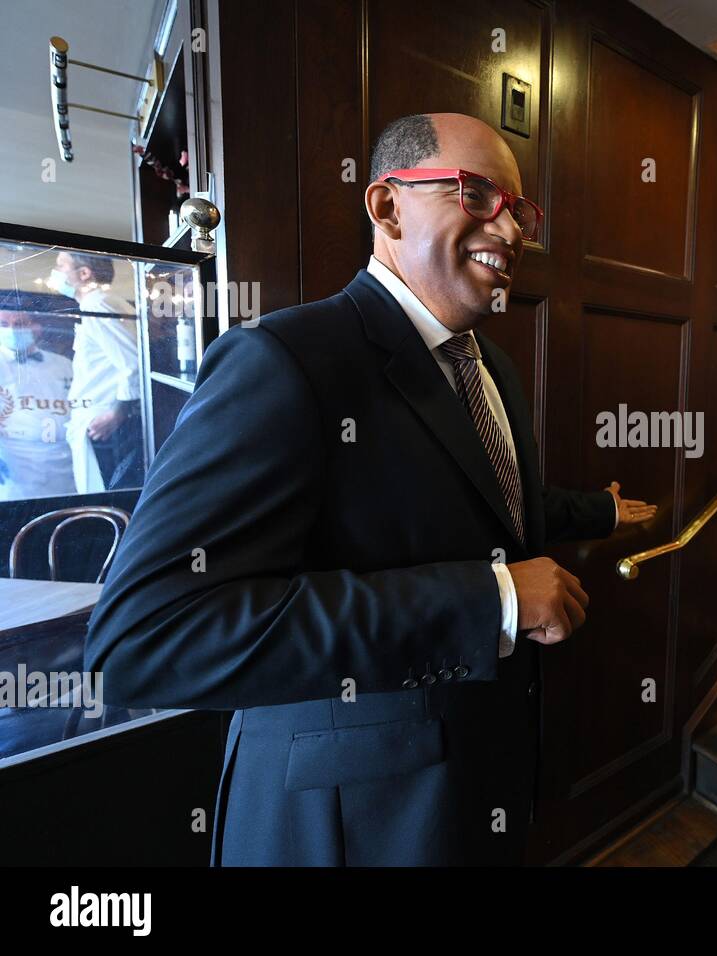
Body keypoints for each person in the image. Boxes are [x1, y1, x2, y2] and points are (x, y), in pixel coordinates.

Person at [85, 112, 657, 865]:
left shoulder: (495, 369)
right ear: (386, 206)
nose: (512, 229)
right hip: (346, 827)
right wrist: (491, 602)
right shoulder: (285, 361)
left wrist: (603, 511)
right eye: (479, 194)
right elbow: (146, 637)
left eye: (521, 210)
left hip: (478, 793)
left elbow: (502, 507)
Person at [48, 252, 144, 493]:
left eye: (61, 266)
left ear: (84, 273)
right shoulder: (99, 303)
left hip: (104, 424)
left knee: (106, 502)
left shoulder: (97, 304)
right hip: (100, 421)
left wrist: (117, 413)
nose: (55, 272)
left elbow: (133, 362)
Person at [0, 300, 77, 502]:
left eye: (20, 324)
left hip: (66, 460)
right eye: (3, 325)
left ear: (37, 327)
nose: (12, 330)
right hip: (18, 463)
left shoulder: (63, 364)